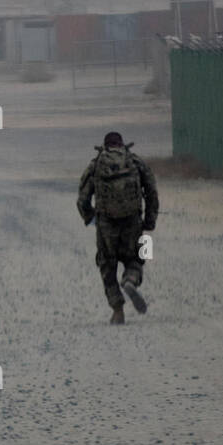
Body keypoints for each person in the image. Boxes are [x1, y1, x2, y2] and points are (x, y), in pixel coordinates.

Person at [77, 131, 159, 324]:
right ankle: (130, 281)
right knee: (136, 259)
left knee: (107, 265)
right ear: (123, 144)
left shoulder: (96, 165)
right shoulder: (135, 162)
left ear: (105, 146)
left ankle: (117, 310)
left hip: (106, 225)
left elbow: (82, 200)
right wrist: (149, 220)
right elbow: (152, 192)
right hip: (132, 222)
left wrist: (92, 220)